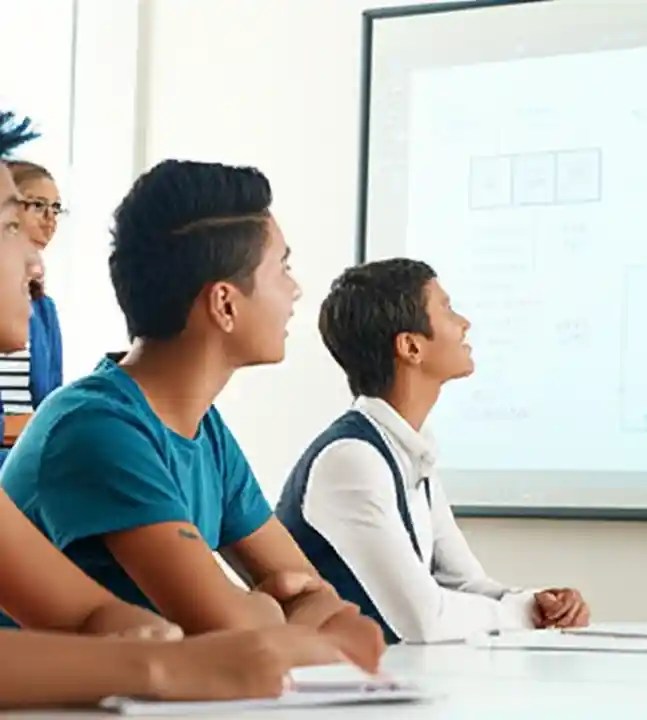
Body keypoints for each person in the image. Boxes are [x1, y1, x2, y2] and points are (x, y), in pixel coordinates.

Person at [0, 111, 373, 708]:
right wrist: (260, 615)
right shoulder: (94, 428)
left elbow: (114, 622)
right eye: (11, 226)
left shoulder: (208, 433)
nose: (36, 263)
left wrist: (235, 629)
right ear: (223, 303)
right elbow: (214, 644)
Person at [276, 258, 591, 643]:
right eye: (446, 308)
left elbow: (464, 583)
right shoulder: (352, 461)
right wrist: (522, 614)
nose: (464, 323)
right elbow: (423, 619)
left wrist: (539, 605)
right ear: (410, 346)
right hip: (330, 688)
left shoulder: (410, 452)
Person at [0, 161, 64, 460]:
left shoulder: (43, 309)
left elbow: (51, 399)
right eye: (38, 206)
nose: (50, 221)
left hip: (25, 455)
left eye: (56, 209)